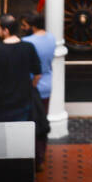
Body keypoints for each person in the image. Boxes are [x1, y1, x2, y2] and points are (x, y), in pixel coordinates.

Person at [0, 13, 41, 124]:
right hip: (23, 101)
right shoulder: (28, 47)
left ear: (6, 31)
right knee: (21, 135)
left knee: (0, 134)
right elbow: (38, 74)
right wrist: (30, 89)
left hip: (0, 103)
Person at [20, 11, 56, 166]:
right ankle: (42, 154)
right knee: (42, 121)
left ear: (32, 26)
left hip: (32, 87)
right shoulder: (51, 38)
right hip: (48, 85)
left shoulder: (28, 42)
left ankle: (34, 157)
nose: (22, 28)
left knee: (31, 123)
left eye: (24, 25)